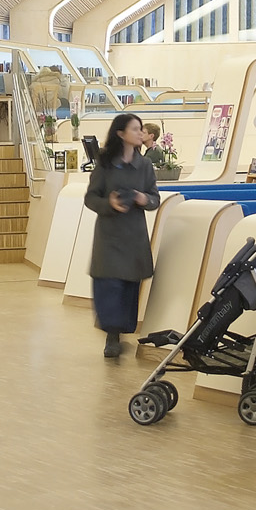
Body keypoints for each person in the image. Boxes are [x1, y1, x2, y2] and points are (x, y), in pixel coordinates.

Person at [83, 110, 161, 360]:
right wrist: (110, 204)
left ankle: (120, 331)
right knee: (108, 284)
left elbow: (154, 198)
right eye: (135, 129)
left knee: (129, 285)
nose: (141, 133)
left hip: (134, 234)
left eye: (141, 129)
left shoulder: (145, 165)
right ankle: (112, 336)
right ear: (121, 134)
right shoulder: (104, 164)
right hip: (109, 234)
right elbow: (90, 198)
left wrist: (142, 198)